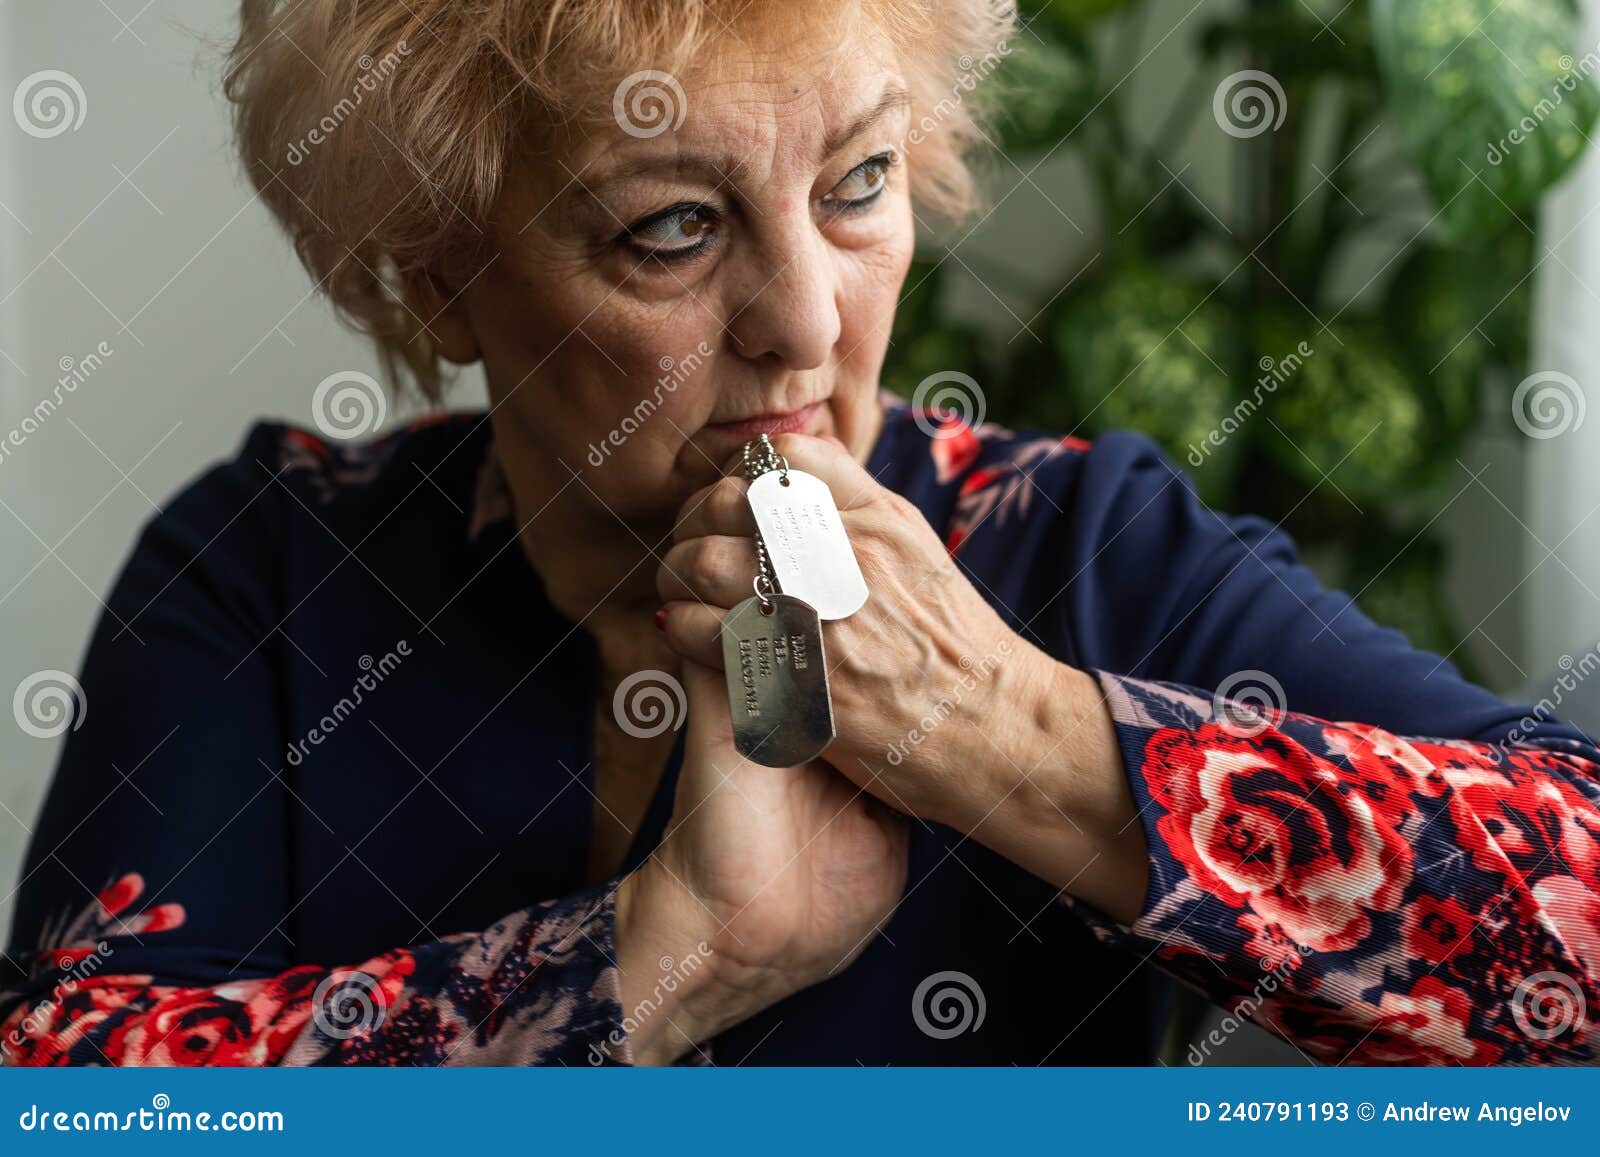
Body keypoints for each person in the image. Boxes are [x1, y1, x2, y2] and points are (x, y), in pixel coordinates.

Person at [3, 0, 1597, 1066]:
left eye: (860, 181)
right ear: (434, 272)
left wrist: (1008, 735)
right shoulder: (279, 565)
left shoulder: (1077, 550)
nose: (807, 319)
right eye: (671, 227)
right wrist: (667, 954)